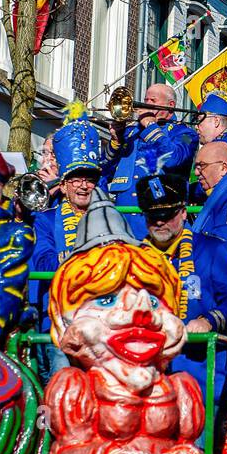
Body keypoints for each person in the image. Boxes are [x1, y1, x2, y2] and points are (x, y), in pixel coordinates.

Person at [135, 174, 227, 402]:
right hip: (146, 367)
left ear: (183, 213)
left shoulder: (212, 249)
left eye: (166, 215)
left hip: (198, 366)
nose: (159, 222)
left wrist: (208, 321)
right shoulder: (134, 257)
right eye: (152, 216)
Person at [32, 110, 104, 383]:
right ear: (62, 185)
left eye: (89, 178)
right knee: (61, 389)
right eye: (76, 179)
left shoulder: (109, 217)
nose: (83, 186)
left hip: (100, 324)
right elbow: (43, 262)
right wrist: (85, 260)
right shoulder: (46, 219)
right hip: (59, 323)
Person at [103, 82, 199, 238]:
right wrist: (116, 141)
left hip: (158, 222)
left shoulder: (186, 134)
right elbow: (104, 171)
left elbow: (174, 159)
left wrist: (150, 125)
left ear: (170, 105)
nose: (146, 105)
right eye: (145, 100)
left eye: (152, 101)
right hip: (123, 223)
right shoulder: (131, 133)